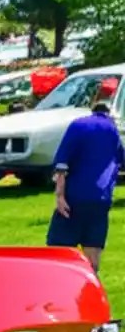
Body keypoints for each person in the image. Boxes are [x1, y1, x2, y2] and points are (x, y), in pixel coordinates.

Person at [46, 89, 125, 273]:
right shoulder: (112, 130)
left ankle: (62, 293)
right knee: (92, 258)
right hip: (100, 200)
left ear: (92, 105)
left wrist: (59, 196)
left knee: (59, 253)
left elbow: (62, 165)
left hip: (75, 197)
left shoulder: (78, 125)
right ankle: (90, 293)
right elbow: (120, 160)